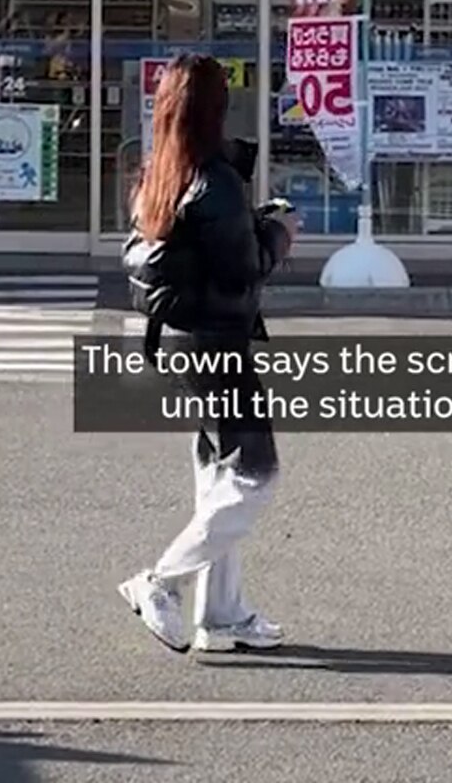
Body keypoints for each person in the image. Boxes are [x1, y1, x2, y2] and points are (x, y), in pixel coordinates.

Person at [119, 55, 297, 655]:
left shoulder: (161, 169)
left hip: (178, 340)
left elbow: (198, 251)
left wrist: (250, 224)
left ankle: (221, 614)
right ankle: (159, 582)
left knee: (218, 476)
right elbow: (244, 271)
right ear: (215, 109)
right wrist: (276, 235)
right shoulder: (214, 179)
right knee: (255, 475)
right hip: (216, 343)